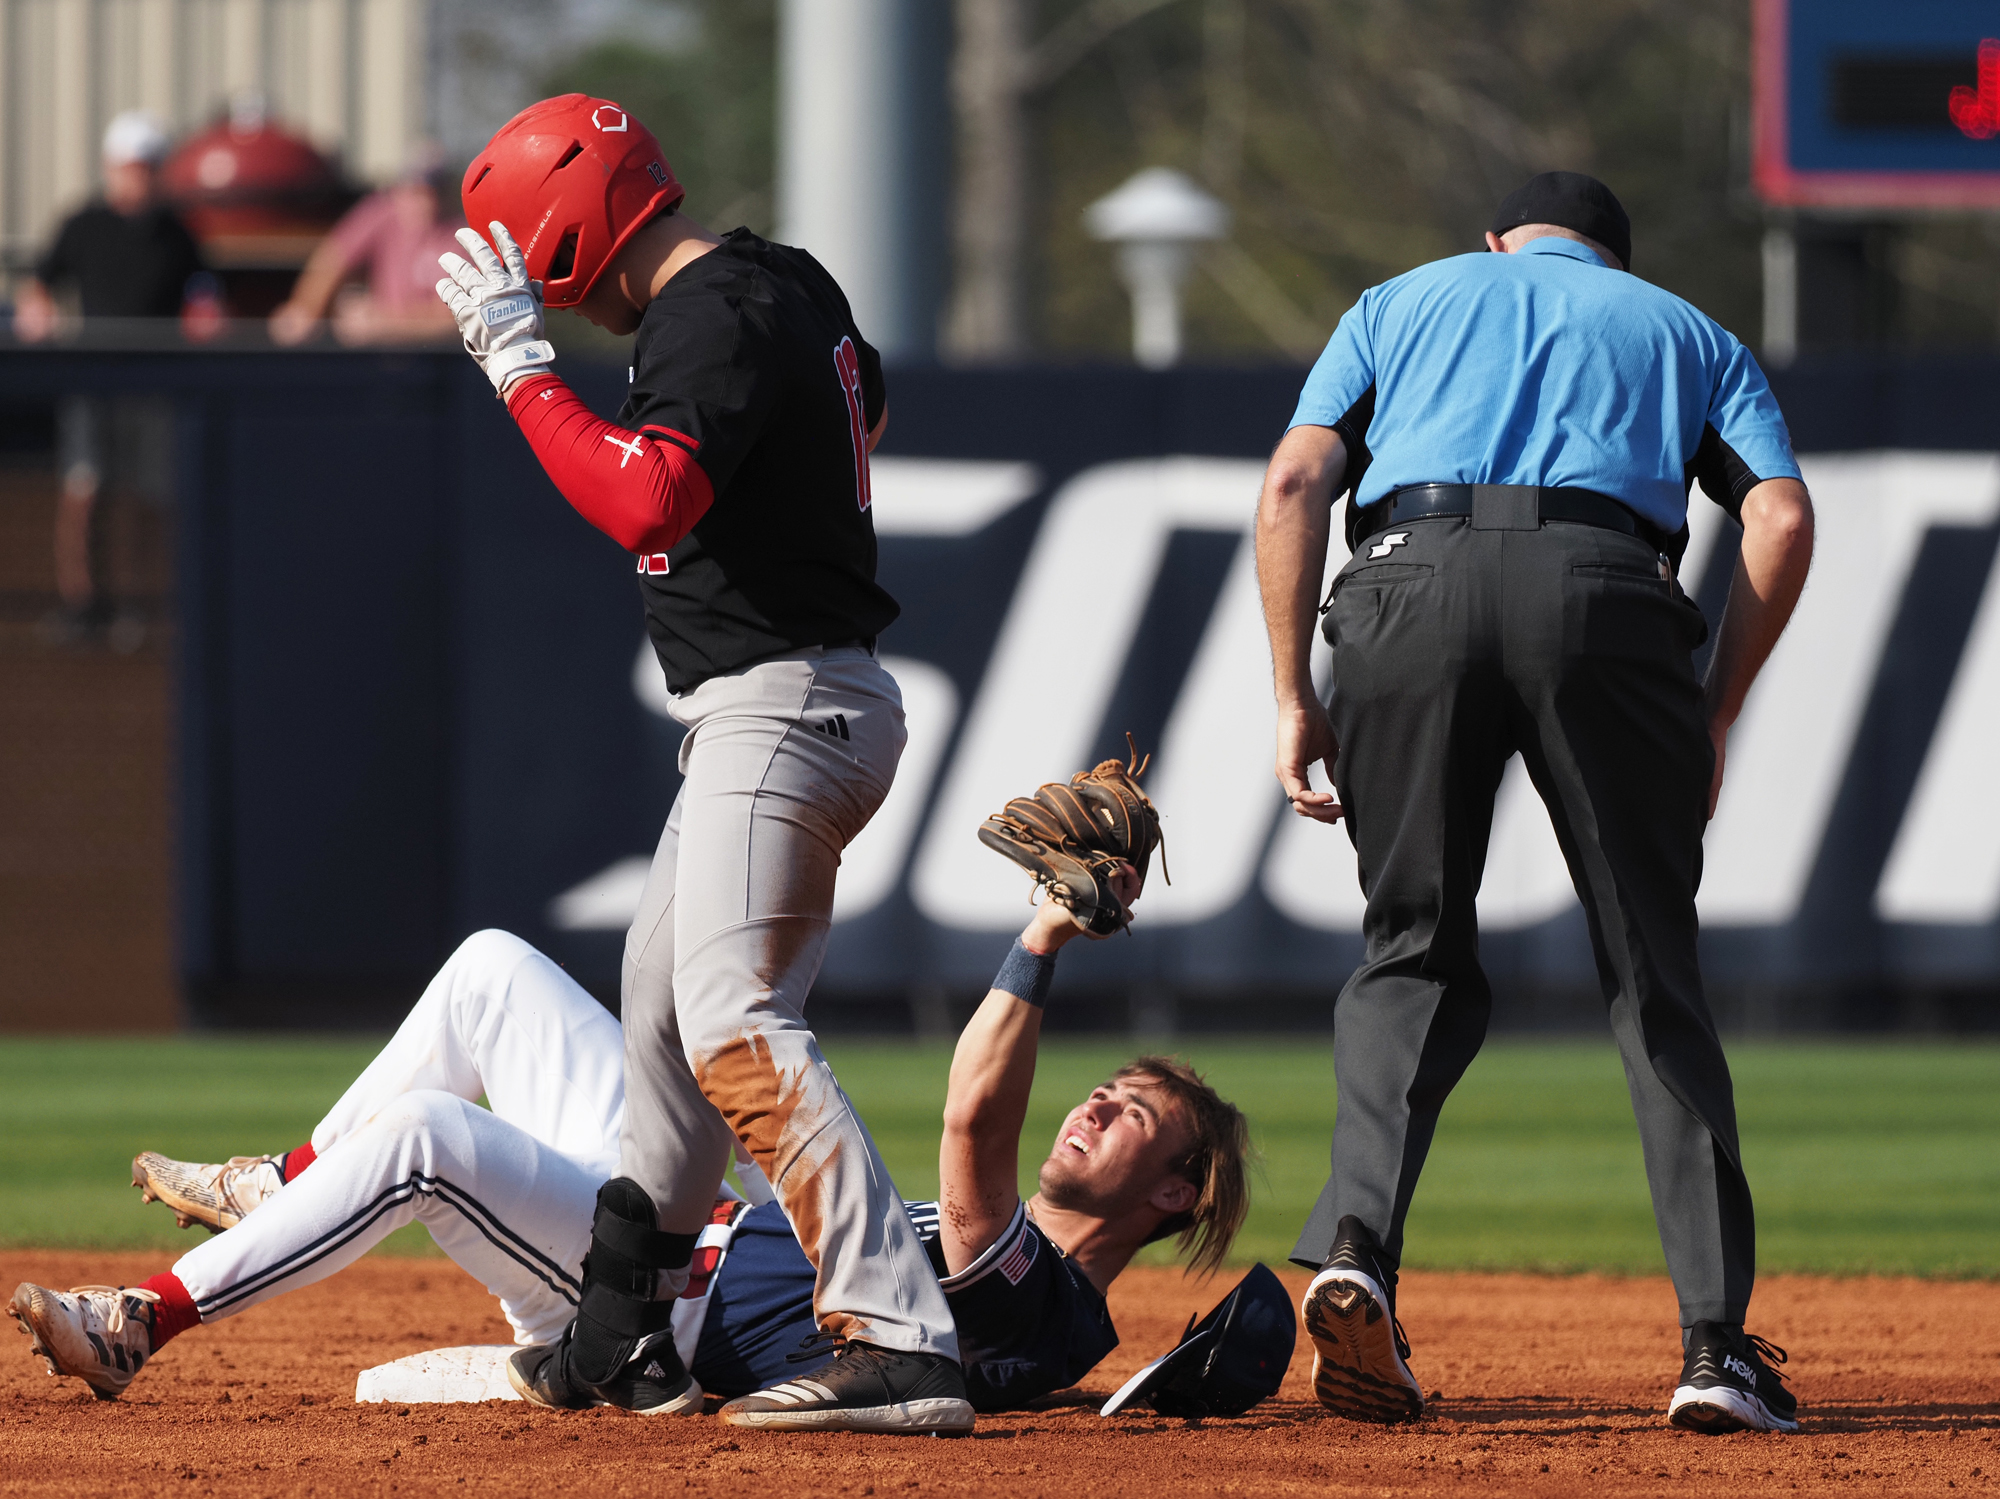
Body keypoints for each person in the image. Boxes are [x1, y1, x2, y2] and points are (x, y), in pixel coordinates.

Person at [425, 93, 967, 1431]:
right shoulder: (779, 281)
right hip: (791, 696)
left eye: (520, 247)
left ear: (561, 232)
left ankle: (900, 1336)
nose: (519, 274)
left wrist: (517, 370)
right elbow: (862, 405)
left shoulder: (711, 306)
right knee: (665, 1016)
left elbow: (645, 497)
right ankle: (623, 1327)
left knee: (730, 1016)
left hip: (784, 701)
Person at [1253, 172, 1814, 1435]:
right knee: (1649, 972)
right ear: (1611, 256)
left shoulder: (1396, 302)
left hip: (1402, 586)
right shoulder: (1684, 330)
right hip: (1606, 598)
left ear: (1496, 242)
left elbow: (1294, 483)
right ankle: (1714, 1349)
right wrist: (1713, 707)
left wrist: (1293, 690)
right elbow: (1777, 514)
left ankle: (1356, 1250)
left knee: (1407, 950)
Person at [7, 875, 1252, 1425]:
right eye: (1103, 1086)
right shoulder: (1052, 1313)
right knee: (492, 966)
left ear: (1172, 1189)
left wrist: (1040, 933)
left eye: (1133, 1111)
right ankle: (287, 1183)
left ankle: (137, 1323)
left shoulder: (1044, 1293)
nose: (1094, 1104)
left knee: (431, 1138)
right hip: (697, 1216)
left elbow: (974, 1116)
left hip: (647, 1302)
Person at [13, 109, 206, 645]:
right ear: (112, 167)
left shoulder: (177, 235)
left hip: (154, 383)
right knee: (83, 490)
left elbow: (204, 295)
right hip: (91, 375)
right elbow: (40, 282)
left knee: (150, 496)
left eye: (146, 167)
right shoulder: (82, 224)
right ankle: (83, 603)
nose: (137, 177)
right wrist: (38, 312)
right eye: (128, 167)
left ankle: (140, 604)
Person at [268, 145, 462, 346]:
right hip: (381, 357)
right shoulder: (382, 213)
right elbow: (333, 258)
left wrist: (384, 323)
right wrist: (305, 309)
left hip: (441, 358)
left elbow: (455, 320)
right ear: (398, 190)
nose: (424, 202)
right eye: (414, 191)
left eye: (433, 193)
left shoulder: (460, 233)